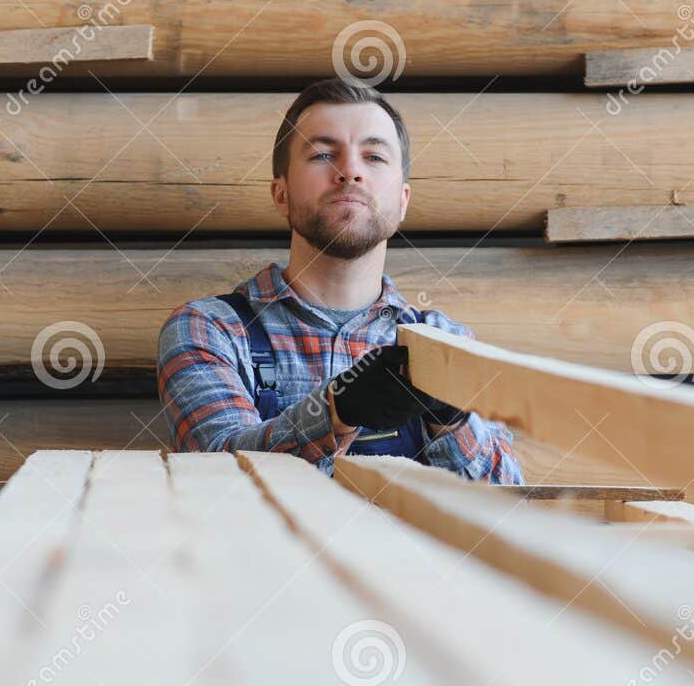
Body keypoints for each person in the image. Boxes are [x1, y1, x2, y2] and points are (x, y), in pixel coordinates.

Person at [157, 78, 522, 482]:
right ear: (281, 194)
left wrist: (452, 420)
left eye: (374, 157)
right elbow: (218, 475)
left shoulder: (447, 342)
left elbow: (505, 504)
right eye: (323, 154)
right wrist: (335, 411)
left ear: (402, 201)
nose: (349, 171)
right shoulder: (211, 330)